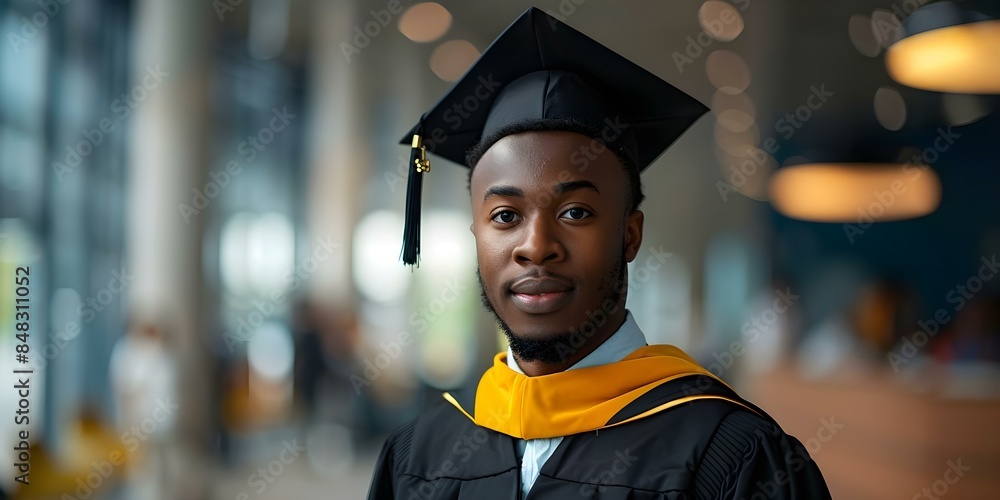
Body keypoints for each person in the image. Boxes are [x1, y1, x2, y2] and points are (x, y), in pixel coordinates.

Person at [369, 7, 831, 499]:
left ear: (631, 235)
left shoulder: (734, 456)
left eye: (576, 213)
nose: (536, 247)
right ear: (475, 236)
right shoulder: (417, 454)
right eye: (505, 216)